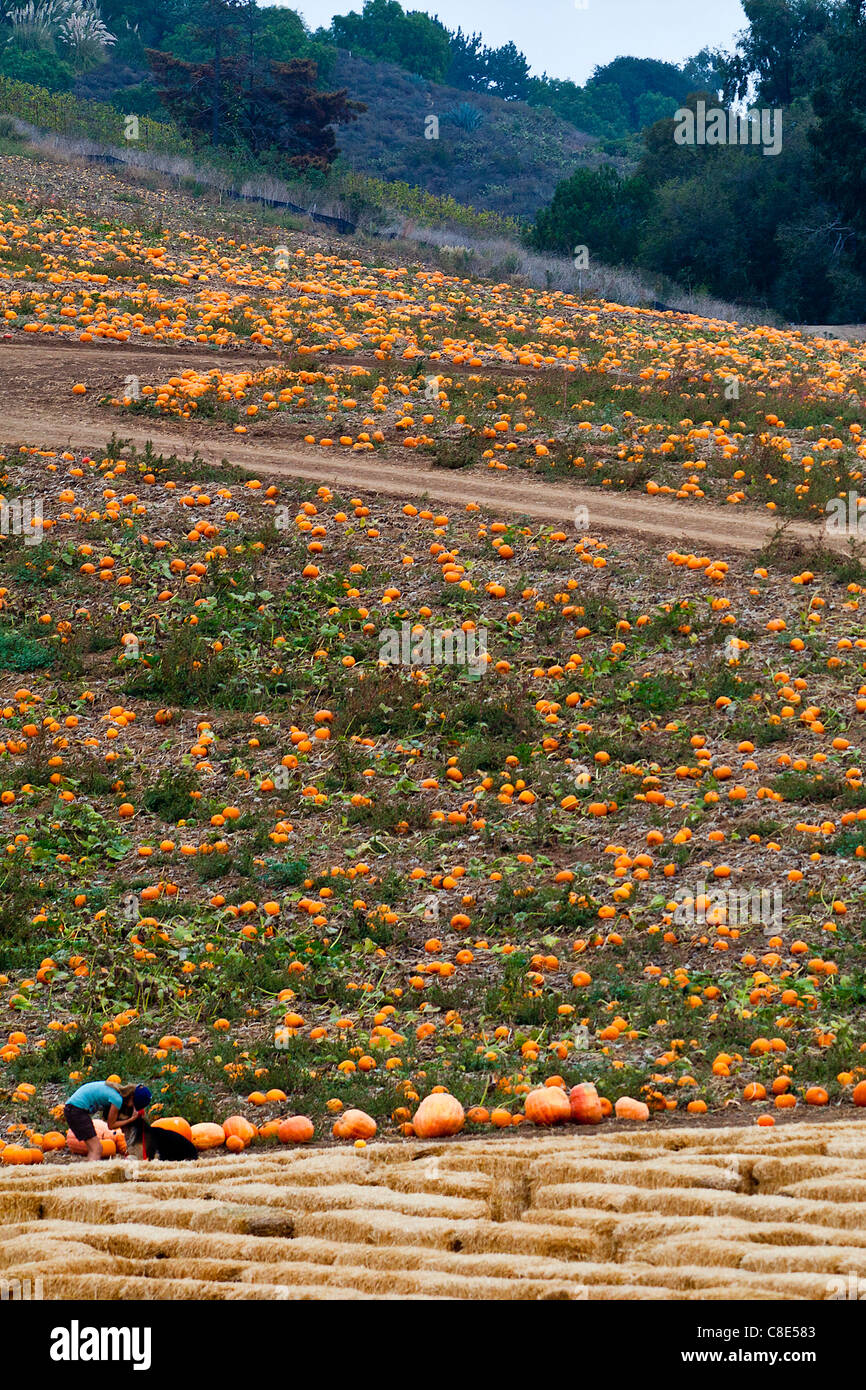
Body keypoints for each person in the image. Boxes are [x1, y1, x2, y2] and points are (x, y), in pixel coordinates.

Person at [64, 1080, 152, 1161]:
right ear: (131, 1097)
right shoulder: (117, 1099)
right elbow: (111, 1125)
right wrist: (131, 1119)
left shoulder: (116, 1091)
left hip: (73, 1109)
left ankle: (88, 1173)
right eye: (134, 1104)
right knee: (96, 1149)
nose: (132, 1107)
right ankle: (90, 1175)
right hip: (76, 1110)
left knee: (93, 1149)